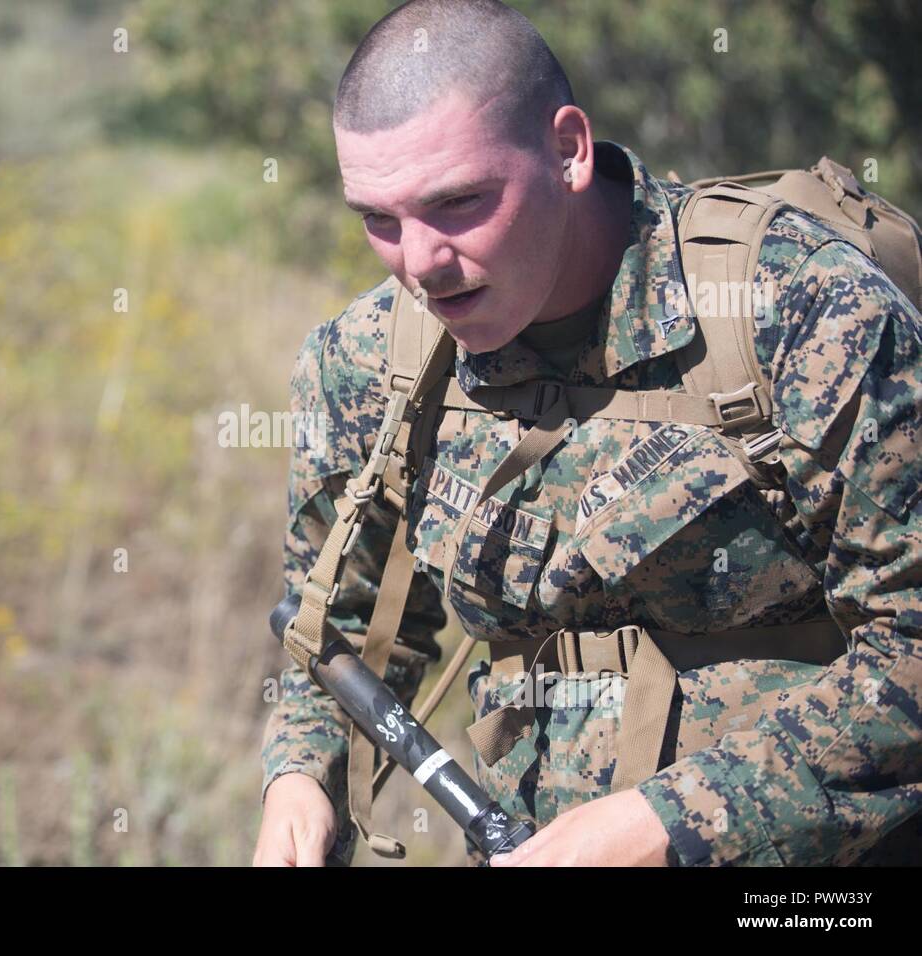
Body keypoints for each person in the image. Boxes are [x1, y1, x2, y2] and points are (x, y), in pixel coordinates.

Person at [252, 0, 922, 867]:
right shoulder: (370, 364)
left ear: (567, 150)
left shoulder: (799, 309)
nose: (418, 263)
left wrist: (669, 823)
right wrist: (300, 781)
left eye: (457, 203)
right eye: (379, 219)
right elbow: (335, 633)